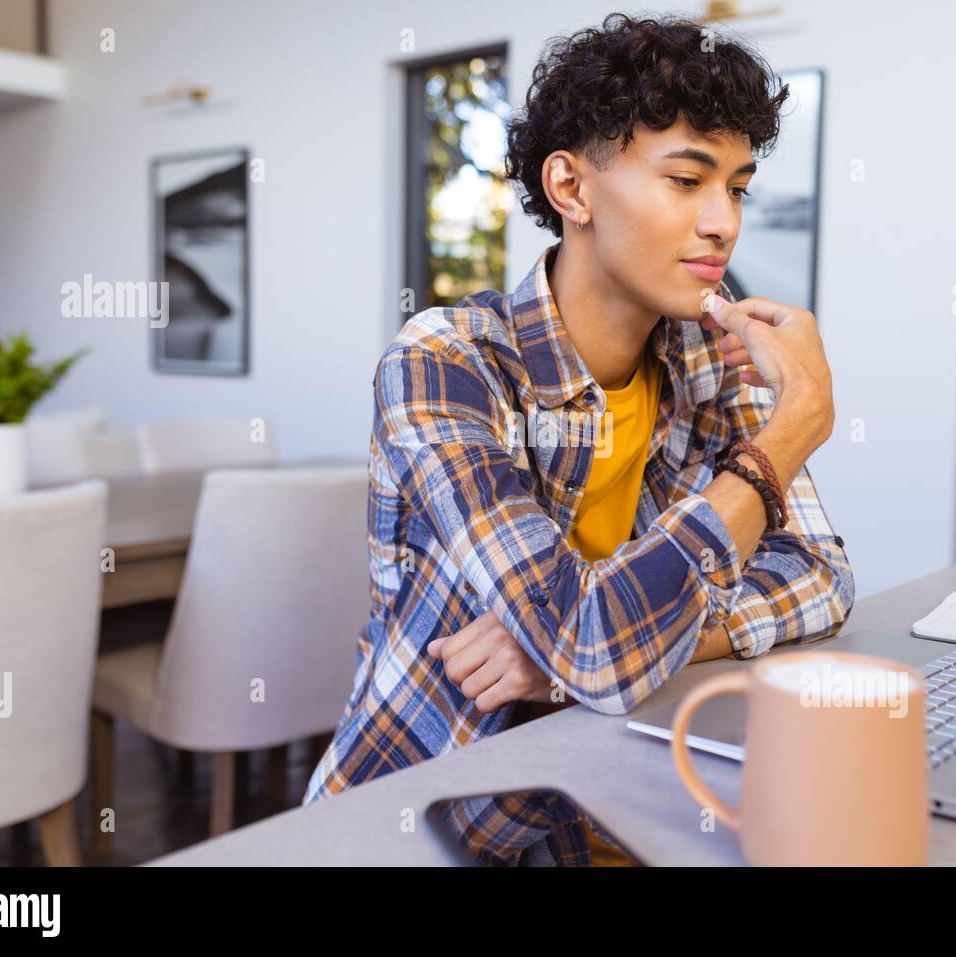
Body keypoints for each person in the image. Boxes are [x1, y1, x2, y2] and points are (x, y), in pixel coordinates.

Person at [304, 11, 855, 866]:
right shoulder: (446, 363)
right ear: (571, 189)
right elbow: (596, 638)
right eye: (686, 180)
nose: (723, 223)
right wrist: (784, 440)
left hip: (622, 796)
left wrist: (570, 656)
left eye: (738, 187)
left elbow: (821, 579)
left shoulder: (707, 361)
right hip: (432, 827)